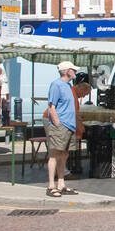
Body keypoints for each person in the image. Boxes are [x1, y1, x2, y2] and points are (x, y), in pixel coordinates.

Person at [44, 61, 81, 197]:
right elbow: (51, 106)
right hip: (61, 125)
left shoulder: (68, 85)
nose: (75, 72)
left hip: (69, 126)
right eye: (73, 70)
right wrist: (58, 123)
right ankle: (51, 185)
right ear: (67, 71)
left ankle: (61, 183)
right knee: (54, 154)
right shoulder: (56, 85)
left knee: (64, 154)